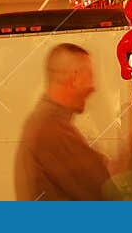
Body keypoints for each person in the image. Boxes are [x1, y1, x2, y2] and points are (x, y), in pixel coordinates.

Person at [14, 43, 110, 201]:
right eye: (90, 76)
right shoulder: (51, 128)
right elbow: (104, 188)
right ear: (75, 78)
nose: (93, 87)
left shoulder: (45, 121)